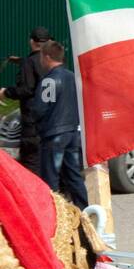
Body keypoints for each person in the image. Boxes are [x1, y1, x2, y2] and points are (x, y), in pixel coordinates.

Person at [31, 41, 89, 210]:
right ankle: (85, 212)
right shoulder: (72, 77)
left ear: (47, 57)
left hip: (53, 134)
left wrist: (36, 123)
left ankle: (53, 215)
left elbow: (40, 109)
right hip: (73, 132)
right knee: (74, 176)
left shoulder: (49, 81)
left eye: (42, 57)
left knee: (50, 178)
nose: (40, 61)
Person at [3, 26, 52, 173]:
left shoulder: (29, 63)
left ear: (31, 41)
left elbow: (26, 89)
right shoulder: (54, 62)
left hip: (33, 122)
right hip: (51, 119)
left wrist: (6, 92)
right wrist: (23, 61)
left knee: (31, 166)